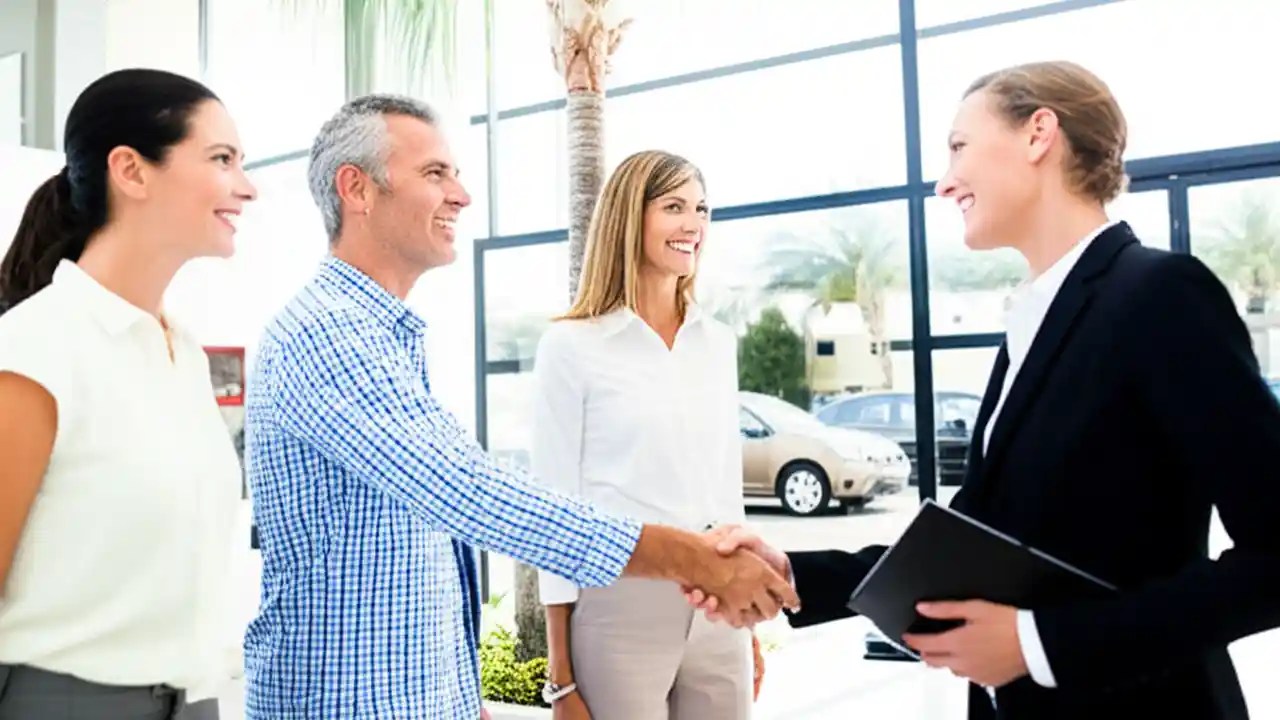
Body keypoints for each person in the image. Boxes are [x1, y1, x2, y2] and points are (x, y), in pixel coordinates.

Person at [688, 60, 1280, 719]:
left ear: (1038, 134)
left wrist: (1040, 643)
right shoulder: (1031, 325)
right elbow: (975, 542)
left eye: (959, 146)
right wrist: (790, 576)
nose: (944, 183)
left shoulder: (1161, 296)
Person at [241, 95, 798, 719]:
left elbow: (425, 540)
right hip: (348, 703)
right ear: (358, 189)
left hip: (414, 698)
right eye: (435, 174)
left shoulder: (385, 337)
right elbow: (471, 494)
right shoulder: (328, 333)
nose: (461, 195)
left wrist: (459, 692)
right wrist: (690, 559)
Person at [0, 68, 257, 719]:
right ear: (132, 171)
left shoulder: (185, 353)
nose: (246, 187)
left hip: (196, 700)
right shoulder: (34, 349)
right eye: (221, 159)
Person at [532, 150, 754, 719]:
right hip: (618, 605)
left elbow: (725, 484)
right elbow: (553, 507)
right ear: (631, 217)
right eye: (674, 207)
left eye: (701, 209)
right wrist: (560, 675)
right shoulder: (571, 345)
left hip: (717, 602)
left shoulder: (717, 342)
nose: (694, 226)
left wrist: (742, 614)